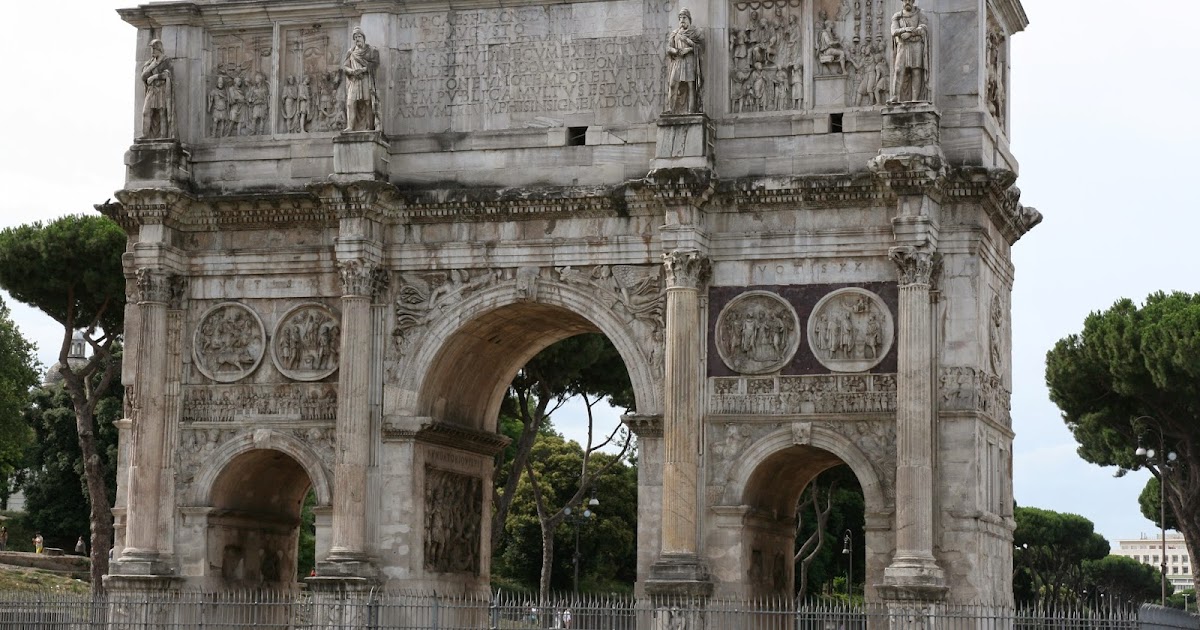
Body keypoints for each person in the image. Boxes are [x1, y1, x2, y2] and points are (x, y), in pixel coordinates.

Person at [889, 0, 930, 102]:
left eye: (909, 0)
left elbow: (923, 29)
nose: (907, 2)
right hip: (902, 46)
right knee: (898, 70)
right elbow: (894, 31)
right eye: (905, 0)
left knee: (916, 71)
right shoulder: (897, 16)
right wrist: (905, 30)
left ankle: (915, 99)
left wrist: (910, 33)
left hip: (916, 45)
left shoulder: (920, 14)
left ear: (913, 2)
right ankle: (895, 96)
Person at [664, 8, 703, 114]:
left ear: (689, 19)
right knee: (673, 84)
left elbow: (699, 47)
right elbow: (668, 48)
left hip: (689, 61)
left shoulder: (694, 33)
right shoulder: (675, 33)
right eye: (680, 18)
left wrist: (688, 49)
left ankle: (691, 110)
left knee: (691, 85)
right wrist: (675, 51)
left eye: (684, 18)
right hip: (678, 61)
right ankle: (671, 109)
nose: (682, 20)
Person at [342, 27, 380, 131]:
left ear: (363, 37)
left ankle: (369, 126)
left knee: (367, 102)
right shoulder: (351, 52)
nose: (357, 39)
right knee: (350, 103)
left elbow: (375, 64)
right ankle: (350, 126)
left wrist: (363, 70)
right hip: (354, 80)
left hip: (365, 79)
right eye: (355, 37)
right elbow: (345, 66)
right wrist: (351, 71)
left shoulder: (371, 51)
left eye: (359, 36)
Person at [140, 39, 174, 139]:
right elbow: (143, 76)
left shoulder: (166, 60)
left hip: (162, 89)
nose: (152, 51)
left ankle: (163, 136)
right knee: (146, 112)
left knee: (162, 112)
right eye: (151, 49)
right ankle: (145, 135)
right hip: (151, 90)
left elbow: (168, 75)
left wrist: (154, 77)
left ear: (159, 49)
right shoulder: (150, 62)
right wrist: (152, 65)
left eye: (154, 49)